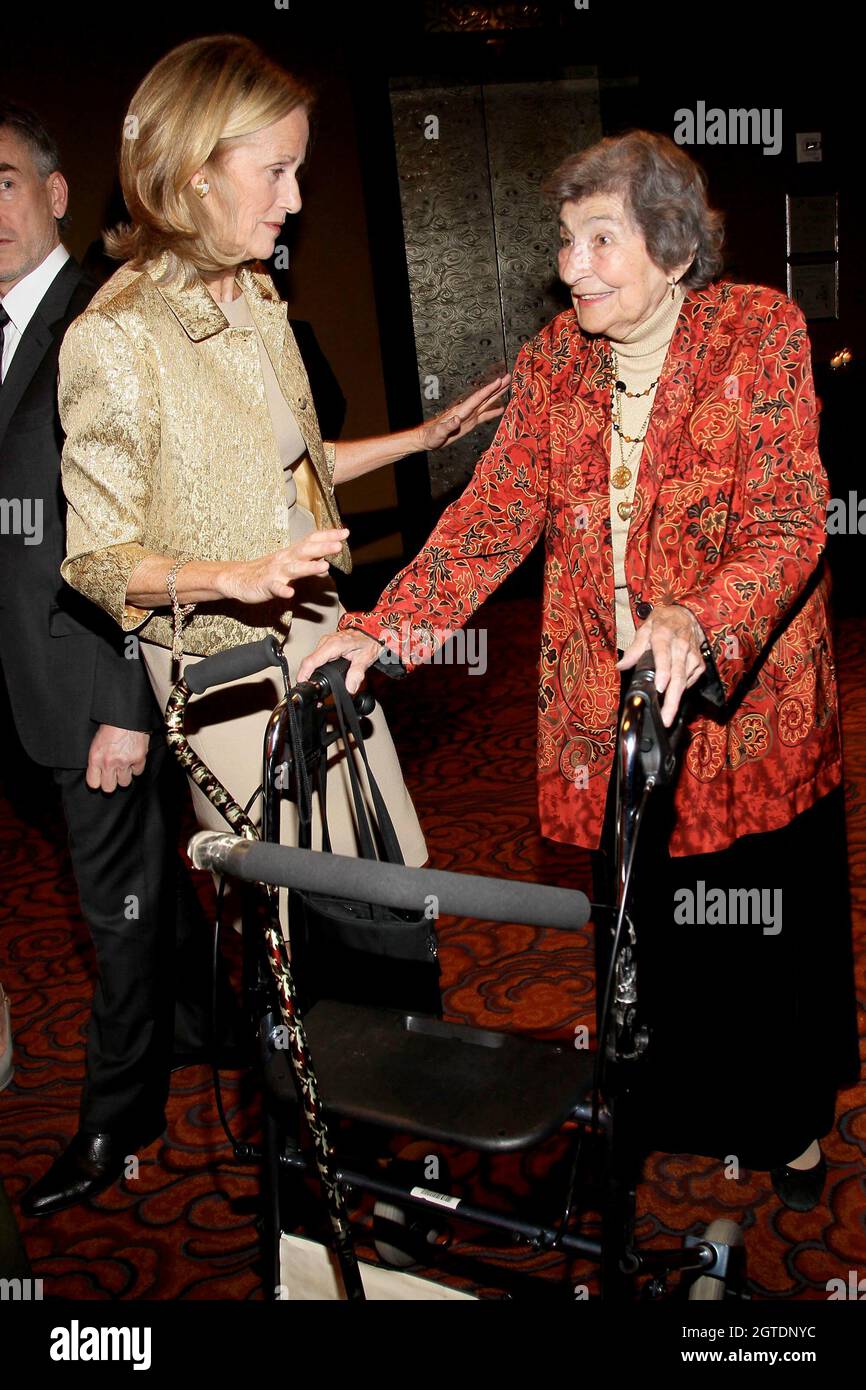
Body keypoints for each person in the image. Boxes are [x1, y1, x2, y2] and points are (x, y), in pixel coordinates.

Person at [299, 130, 861, 1212]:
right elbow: (492, 515)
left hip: (745, 707)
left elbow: (792, 516)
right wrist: (386, 628)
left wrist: (701, 616)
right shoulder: (556, 356)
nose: (571, 267)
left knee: (750, 927)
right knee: (636, 924)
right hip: (608, 698)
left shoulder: (759, 332)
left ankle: (783, 1127)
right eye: (565, 242)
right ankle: (648, 1106)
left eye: (598, 240)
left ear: (668, 245)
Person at [58, 36, 506, 922]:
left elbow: (286, 472)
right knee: (296, 914)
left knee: (390, 873)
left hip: (314, 622)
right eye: (277, 172)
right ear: (194, 173)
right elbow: (97, 560)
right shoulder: (115, 337)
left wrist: (424, 436)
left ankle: (397, 1054)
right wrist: (234, 577)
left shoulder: (256, 293)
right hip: (223, 664)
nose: (295, 201)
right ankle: (310, 1061)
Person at [0, 103, 233, 1219]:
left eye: (2, 180)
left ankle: (117, 1111)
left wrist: (119, 704)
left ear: (53, 193)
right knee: (143, 879)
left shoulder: (101, 320)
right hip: (22, 681)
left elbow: (122, 518)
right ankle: (199, 1023)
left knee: (115, 906)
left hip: (91, 675)